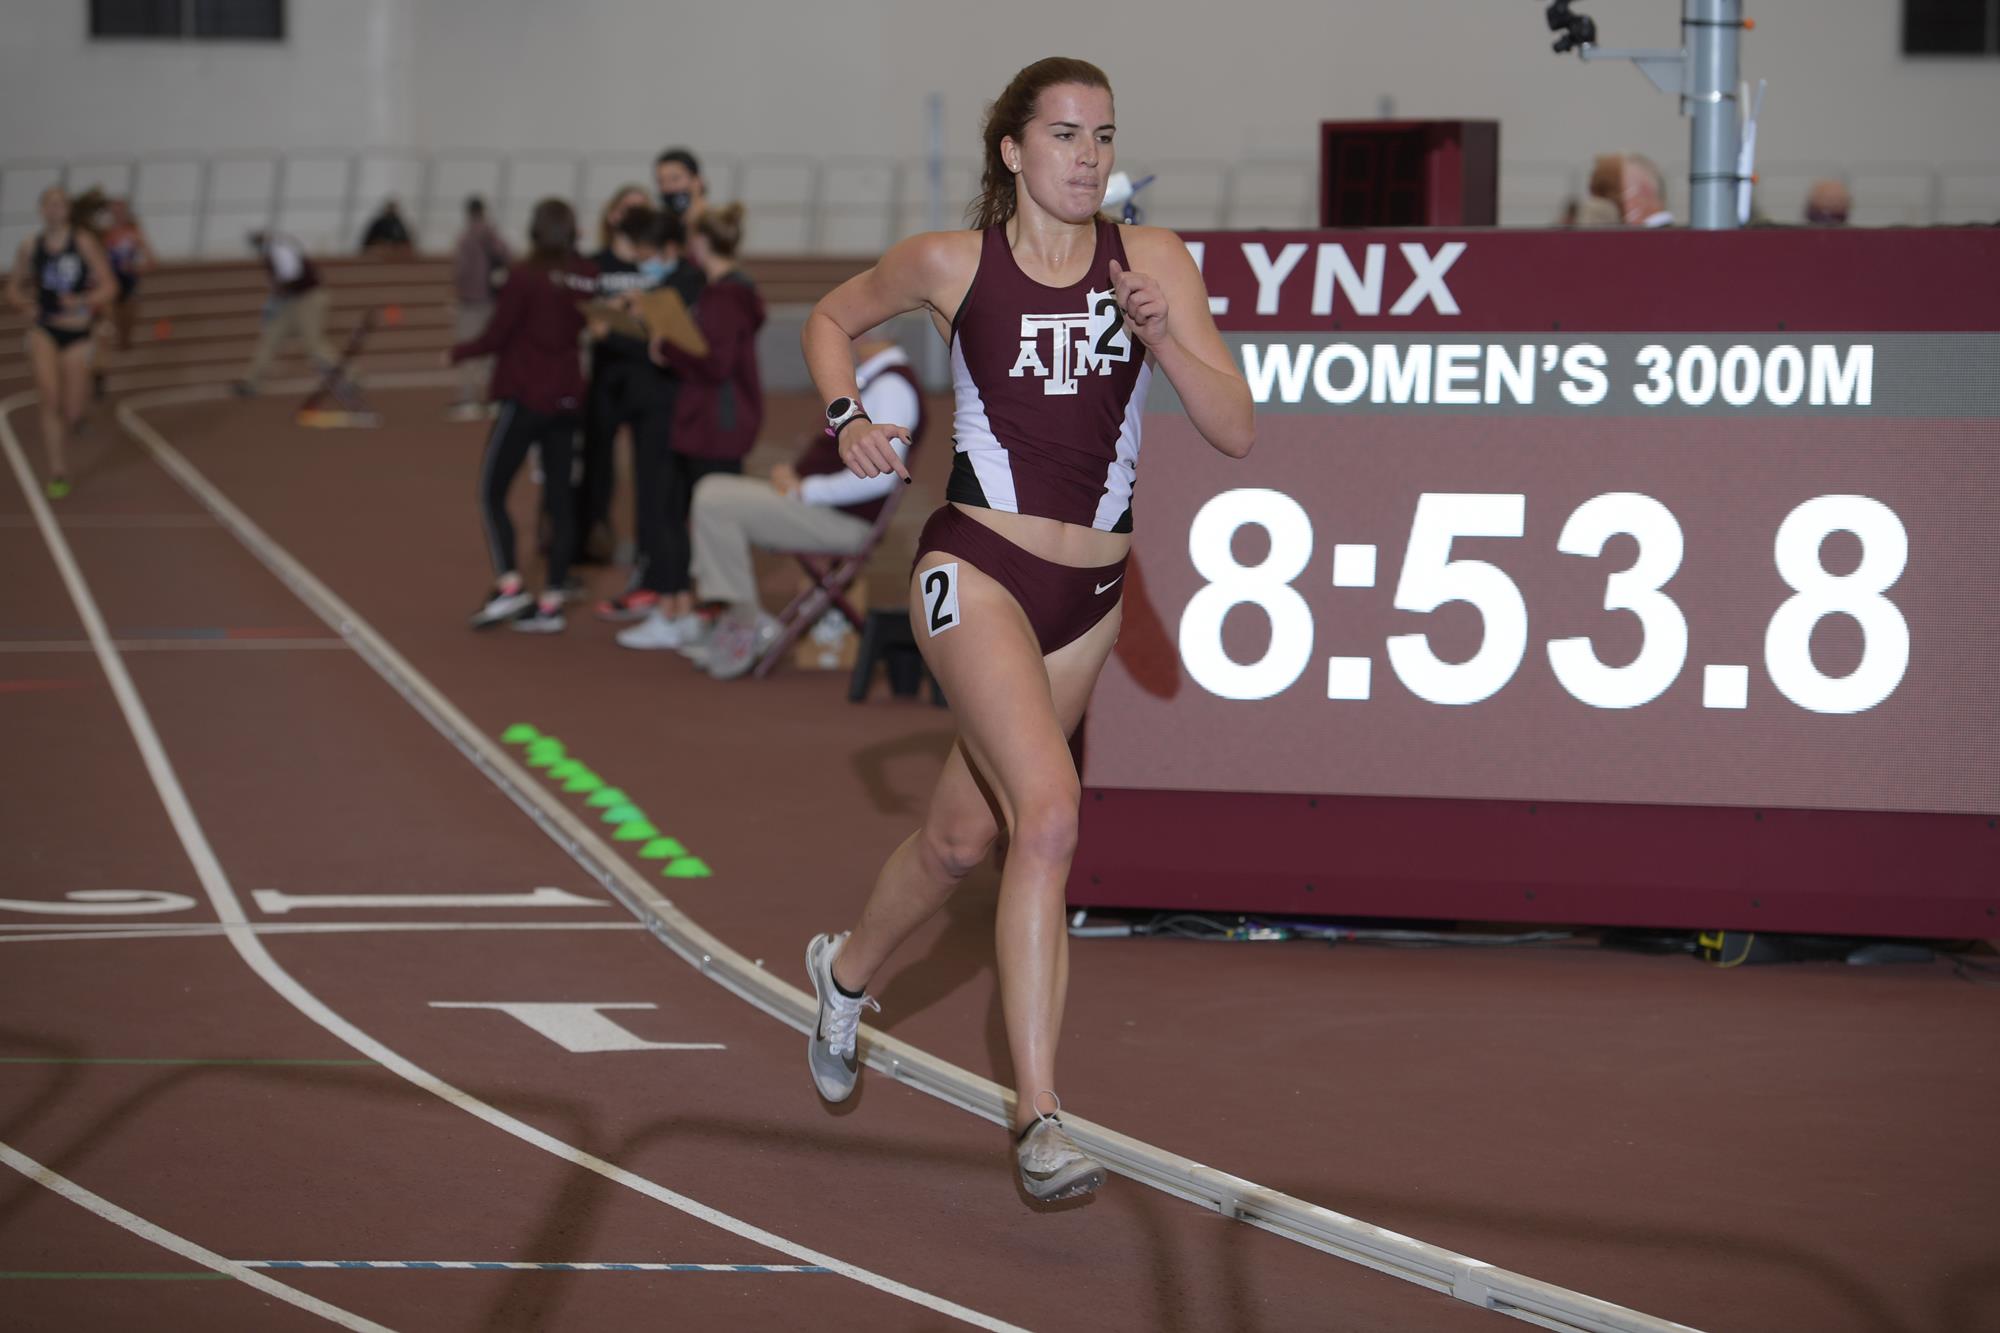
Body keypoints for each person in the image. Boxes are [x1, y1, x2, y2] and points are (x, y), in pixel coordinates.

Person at [798, 57, 1252, 1202]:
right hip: (977, 564)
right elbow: (828, 315)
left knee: (962, 839)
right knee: (1046, 820)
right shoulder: (954, 264)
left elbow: (1234, 427)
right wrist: (846, 416)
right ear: (1011, 149)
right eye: (1062, 135)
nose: (1087, 156)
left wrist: (1163, 339)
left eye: (1102, 136)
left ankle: (845, 974)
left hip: (1088, 599)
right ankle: (1040, 1118)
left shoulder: (1151, 261)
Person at [682, 330, 926, 679]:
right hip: (824, 510)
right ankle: (736, 614)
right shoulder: (876, 381)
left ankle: (742, 619)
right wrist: (795, 477)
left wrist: (803, 489)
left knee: (714, 499)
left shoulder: (891, 388)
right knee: (714, 490)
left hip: (842, 521)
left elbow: (880, 476)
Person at [616, 202, 766, 652]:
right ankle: (703, 616)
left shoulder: (724, 295)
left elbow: (714, 363)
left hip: (713, 425)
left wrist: (668, 350)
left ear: (700, 243)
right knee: (700, 522)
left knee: (700, 524)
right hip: (713, 422)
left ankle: (713, 620)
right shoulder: (732, 290)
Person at [447, 198, 598, 634]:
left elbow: (498, 334)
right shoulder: (585, 276)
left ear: (535, 231)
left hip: (526, 399)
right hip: (568, 400)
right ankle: (551, 602)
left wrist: (458, 351)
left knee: (492, 490)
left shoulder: (523, 275)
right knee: (560, 499)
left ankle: (510, 584)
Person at [591, 208, 708, 621]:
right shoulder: (662, 282)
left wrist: (618, 332)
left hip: (671, 407)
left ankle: (671, 593)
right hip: (648, 405)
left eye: (647, 253)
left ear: (669, 249)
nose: (642, 262)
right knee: (655, 498)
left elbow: (671, 350)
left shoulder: (687, 284)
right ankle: (663, 589)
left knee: (666, 503)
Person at [7, 185, 115, 499]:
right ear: (41, 210)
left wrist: (82, 300)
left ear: (67, 210)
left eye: (60, 204)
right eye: (49, 205)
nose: (55, 210)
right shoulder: (30, 246)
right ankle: (57, 470)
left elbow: (108, 286)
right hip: (45, 330)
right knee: (49, 400)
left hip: (78, 333)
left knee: (70, 410)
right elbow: (12, 289)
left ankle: (76, 418)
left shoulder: (82, 242)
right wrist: (26, 305)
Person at [236, 228, 341, 395]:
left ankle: (349, 377)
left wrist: (273, 301)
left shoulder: (279, 249)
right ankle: (251, 382)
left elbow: (290, 277)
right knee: (271, 338)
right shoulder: (271, 253)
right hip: (292, 301)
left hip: (309, 298)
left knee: (313, 343)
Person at [449, 195, 511, 420]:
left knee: (468, 349)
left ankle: (468, 400)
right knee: (493, 351)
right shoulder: (494, 235)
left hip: (470, 302)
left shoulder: (465, 239)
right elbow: (508, 256)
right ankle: (494, 398)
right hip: (493, 300)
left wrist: (459, 292)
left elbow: (460, 271)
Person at [654, 147, 706, 226]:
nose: (668, 187)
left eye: (675, 179)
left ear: (697, 181)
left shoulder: (717, 225)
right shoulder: (662, 226)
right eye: (661, 181)